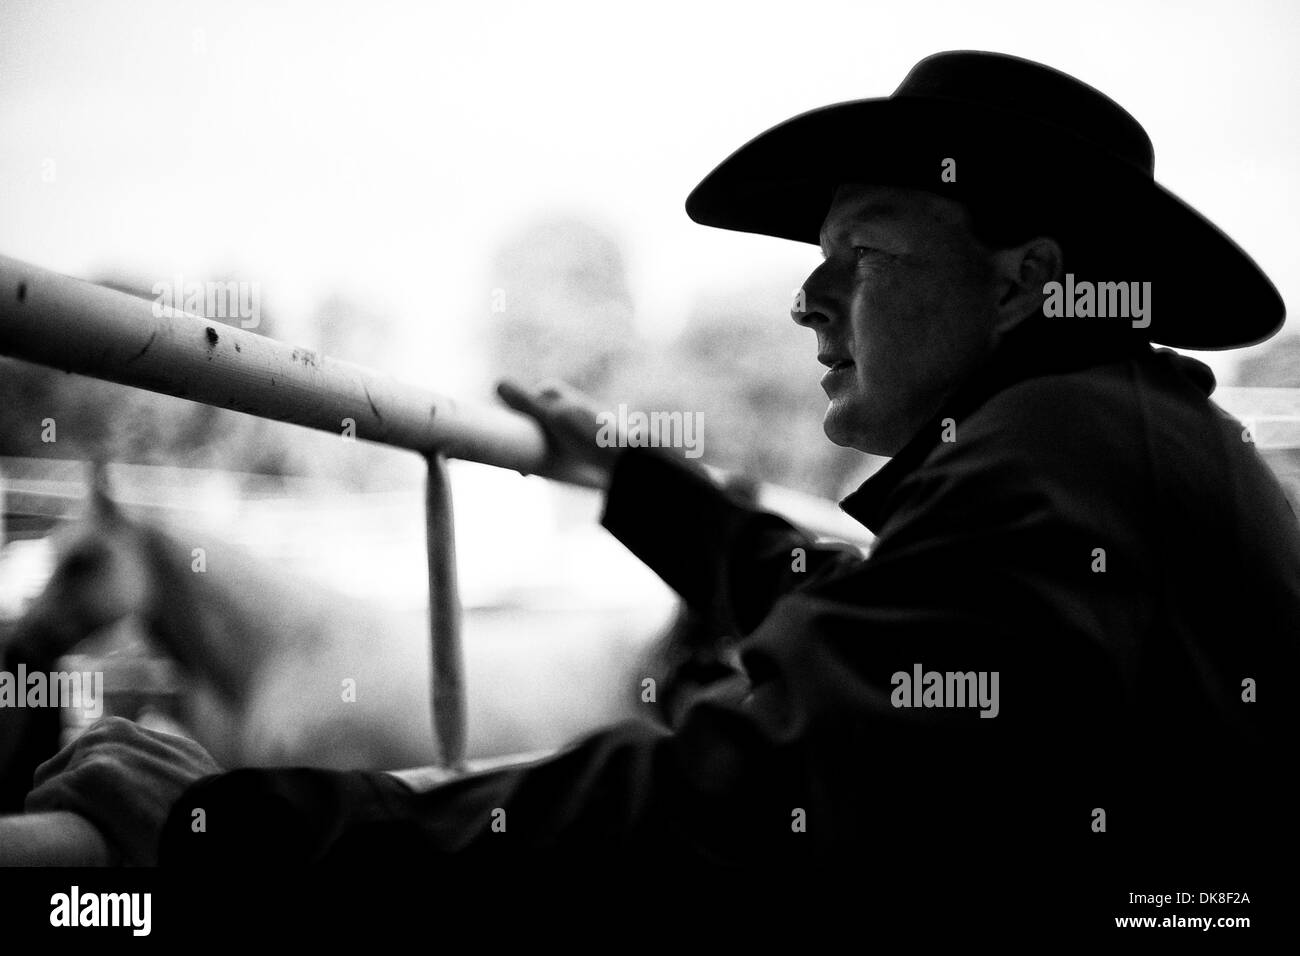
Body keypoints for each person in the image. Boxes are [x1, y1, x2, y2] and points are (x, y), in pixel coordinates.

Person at [22, 52, 1299, 889]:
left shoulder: (1052, 460)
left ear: (1022, 278)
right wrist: (640, 483)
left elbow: (734, 798)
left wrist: (229, 830)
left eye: (861, 248)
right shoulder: (1127, 439)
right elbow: (892, 644)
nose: (807, 296)